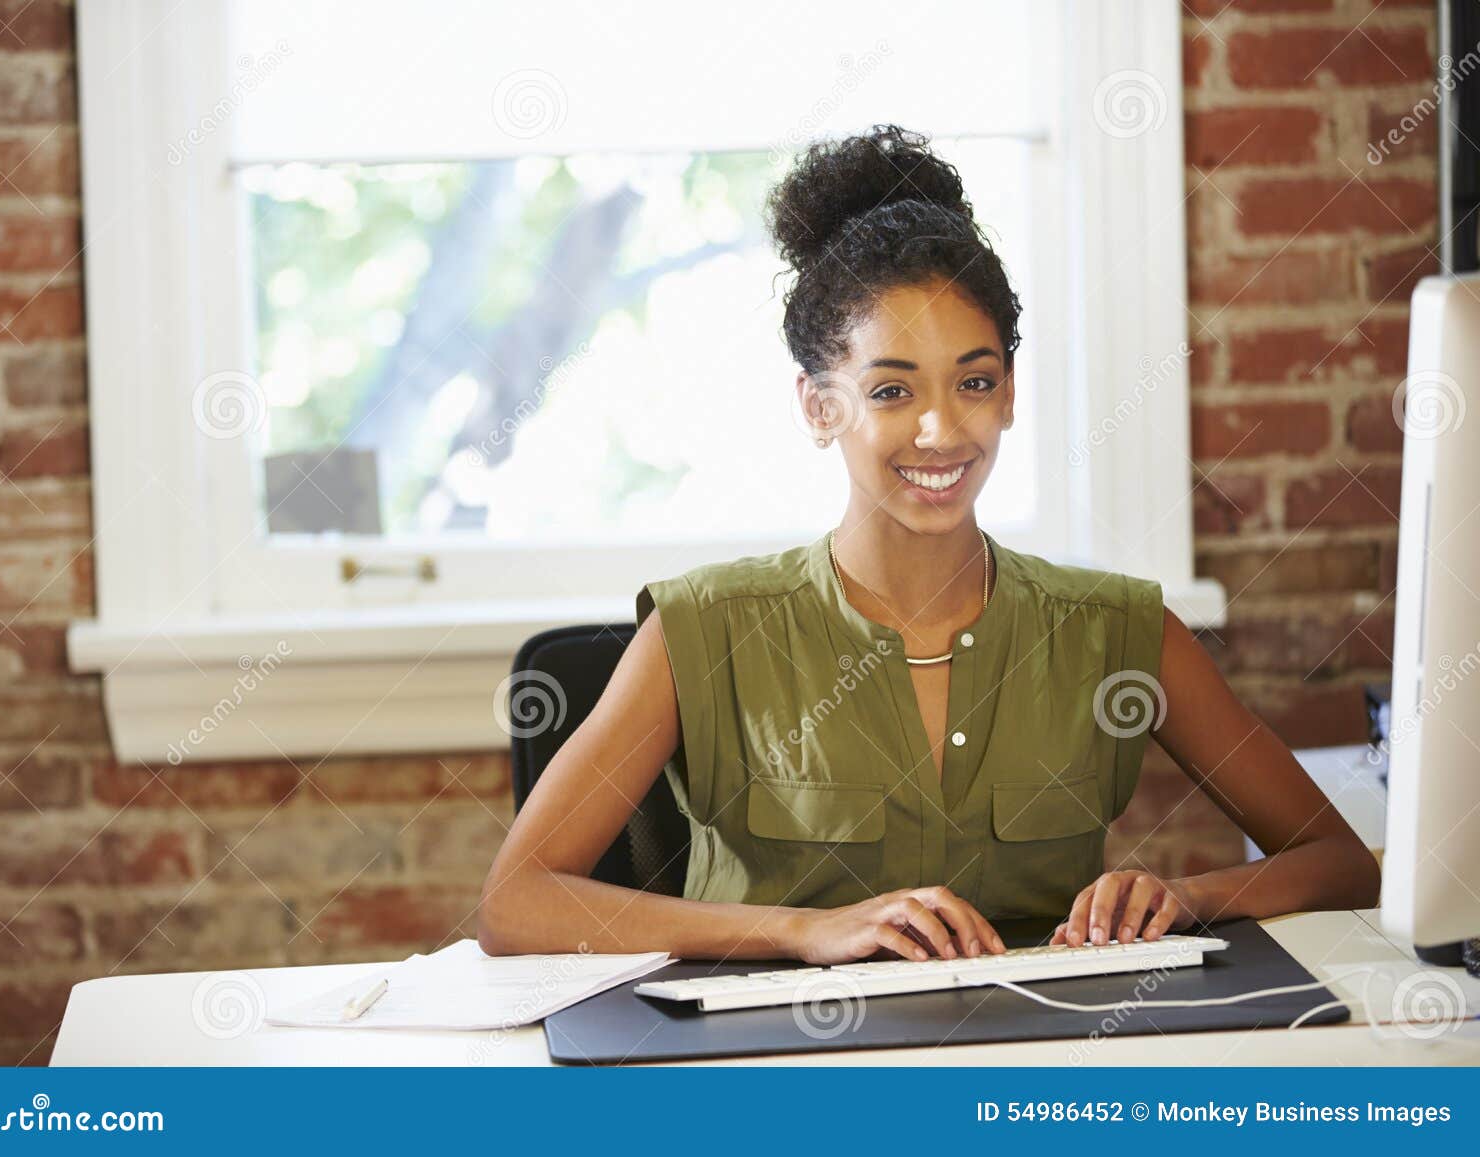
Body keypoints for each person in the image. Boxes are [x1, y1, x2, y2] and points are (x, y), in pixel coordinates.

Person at [477, 123, 1379, 965]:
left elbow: (1342, 861)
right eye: (892, 392)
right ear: (819, 407)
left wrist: (1186, 895)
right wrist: (805, 929)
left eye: (974, 381)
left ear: (1011, 393)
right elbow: (517, 902)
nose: (944, 430)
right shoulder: (702, 631)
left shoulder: (1119, 633)